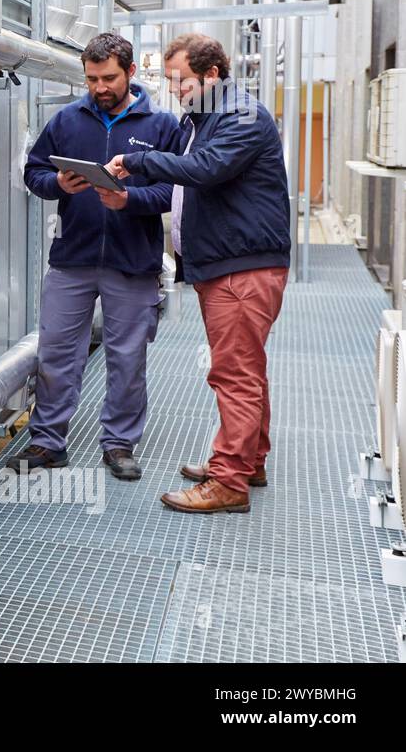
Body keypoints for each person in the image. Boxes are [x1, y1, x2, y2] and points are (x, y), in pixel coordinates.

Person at [106, 32, 290, 514]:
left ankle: (229, 482)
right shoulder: (206, 117)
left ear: (212, 74)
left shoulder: (242, 115)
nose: (174, 90)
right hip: (227, 266)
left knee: (233, 374)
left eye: (181, 80)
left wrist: (139, 160)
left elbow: (207, 168)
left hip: (242, 269)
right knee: (247, 368)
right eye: (169, 81)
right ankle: (248, 461)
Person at [7, 32, 183, 481]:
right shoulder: (68, 120)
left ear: (130, 73)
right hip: (72, 257)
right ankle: (48, 442)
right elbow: (35, 171)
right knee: (56, 352)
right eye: (91, 79)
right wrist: (56, 186)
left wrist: (131, 201)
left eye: (108, 78)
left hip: (133, 260)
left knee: (127, 358)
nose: (99, 87)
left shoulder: (161, 127)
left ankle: (119, 444)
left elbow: (175, 192)